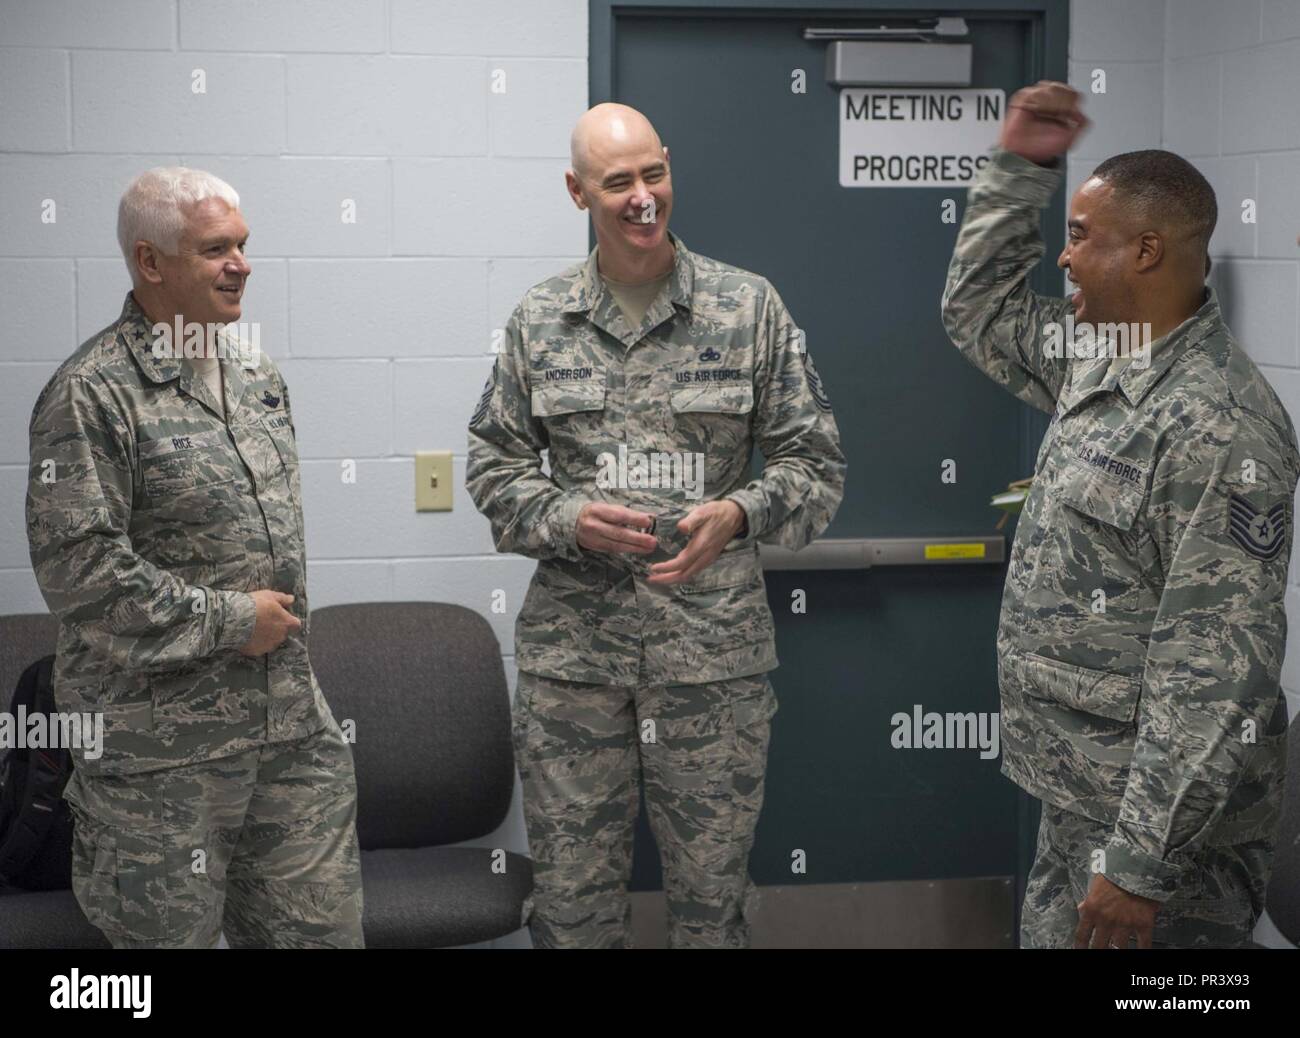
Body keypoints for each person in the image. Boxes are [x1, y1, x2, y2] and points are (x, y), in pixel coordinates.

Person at [466, 103, 846, 948]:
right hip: (576, 671)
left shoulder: (749, 309)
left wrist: (740, 511)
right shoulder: (539, 320)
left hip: (710, 666)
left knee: (713, 910)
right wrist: (568, 518)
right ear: (577, 192)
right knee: (571, 911)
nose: (643, 198)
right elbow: (492, 471)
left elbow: (817, 468)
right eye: (617, 183)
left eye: (654, 174)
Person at [942, 81, 1297, 949]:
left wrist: (1137, 864)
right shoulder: (1100, 356)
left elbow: (1214, 670)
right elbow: (977, 312)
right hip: (1083, 801)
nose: (1062, 261)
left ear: (1145, 251)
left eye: (1077, 236)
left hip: (1167, 847)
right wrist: (1022, 165)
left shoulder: (1222, 424)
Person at [25, 167, 363, 948]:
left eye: (242, 245)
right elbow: (79, 571)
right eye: (216, 249)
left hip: (288, 736)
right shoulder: (91, 393)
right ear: (151, 262)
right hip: (159, 760)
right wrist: (230, 619)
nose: (241, 263)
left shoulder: (255, 374)